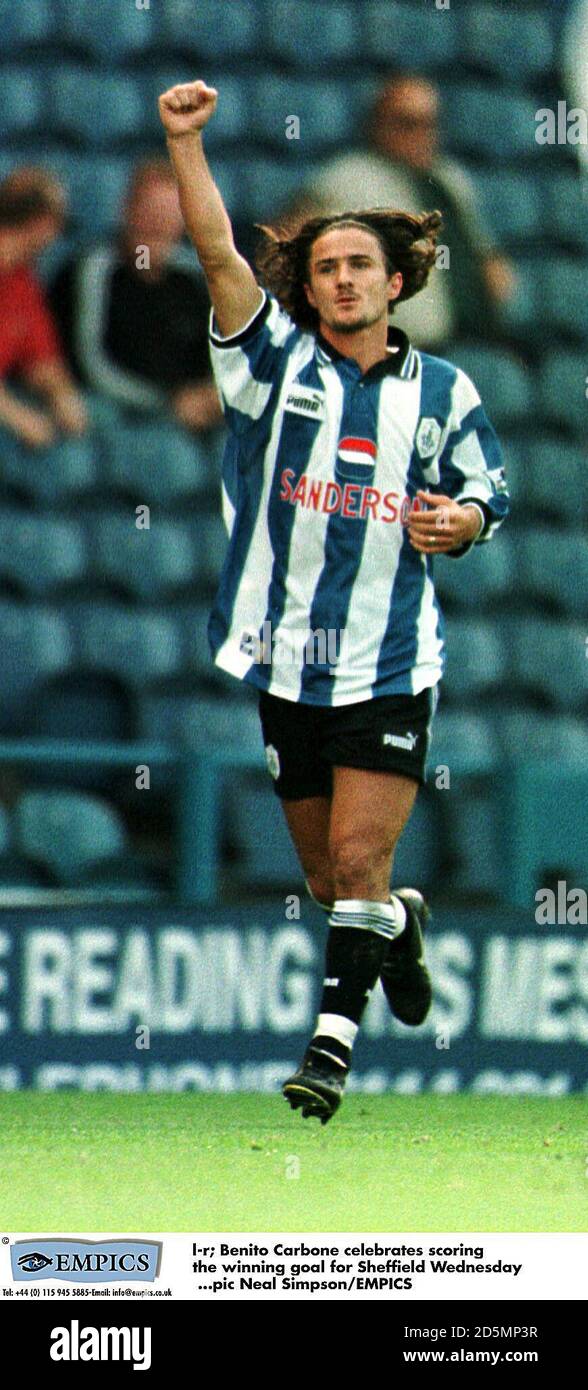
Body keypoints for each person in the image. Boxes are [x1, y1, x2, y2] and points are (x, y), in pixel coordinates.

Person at [159, 80, 509, 1124]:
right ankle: (397, 925)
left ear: (395, 280)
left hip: (392, 659)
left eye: (361, 263)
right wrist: (185, 143)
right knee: (330, 880)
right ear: (306, 289)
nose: (344, 278)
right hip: (281, 657)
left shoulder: (444, 392)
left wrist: (467, 523)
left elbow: (491, 489)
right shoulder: (269, 362)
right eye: (325, 267)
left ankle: (328, 1051)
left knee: (359, 854)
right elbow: (221, 253)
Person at [288, 74, 515, 351]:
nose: (420, 136)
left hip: (462, 343)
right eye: (407, 124)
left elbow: (490, 263)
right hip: (386, 347)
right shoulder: (346, 178)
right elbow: (287, 249)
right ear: (379, 125)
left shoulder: (449, 180)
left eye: (429, 125)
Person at [50, 158, 222, 433]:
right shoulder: (92, 270)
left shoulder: (193, 277)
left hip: (190, 411)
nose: (158, 224)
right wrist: (166, 402)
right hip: (119, 412)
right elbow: (88, 363)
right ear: (127, 210)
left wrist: (213, 393)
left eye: (169, 214)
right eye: (150, 211)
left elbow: (219, 349)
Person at [0, 167, 88, 448]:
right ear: (41, 223)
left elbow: (41, 359)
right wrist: (17, 416)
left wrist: (60, 393)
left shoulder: (23, 282)